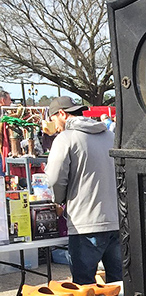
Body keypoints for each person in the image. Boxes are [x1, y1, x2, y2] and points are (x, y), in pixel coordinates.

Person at [45, 96, 122, 285]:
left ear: (61, 114)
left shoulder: (66, 138)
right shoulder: (110, 136)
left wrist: (59, 200)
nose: (54, 126)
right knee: (120, 288)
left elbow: (55, 178)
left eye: (53, 120)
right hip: (117, 220)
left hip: (84, 224)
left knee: (84, 289)